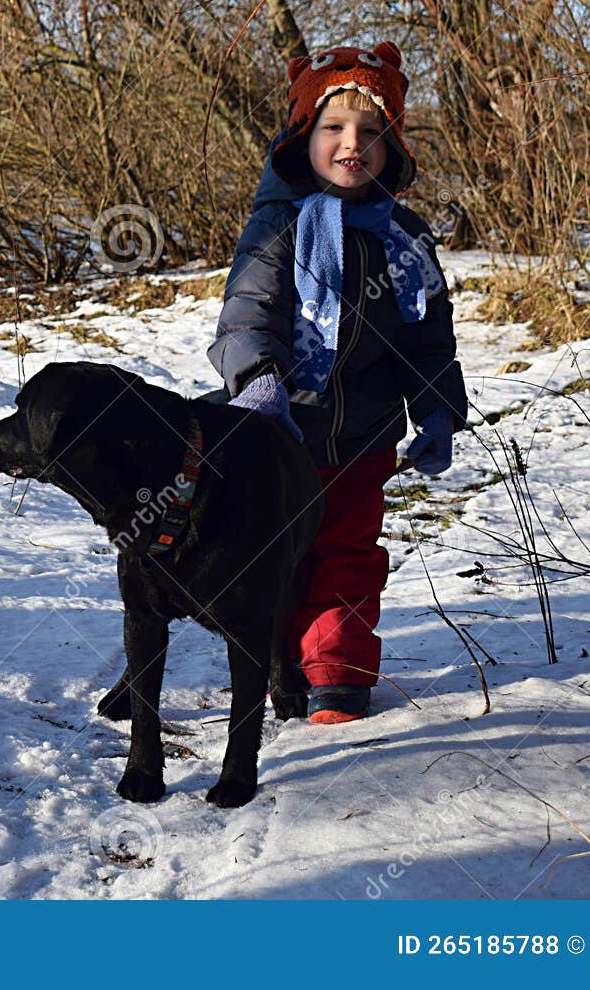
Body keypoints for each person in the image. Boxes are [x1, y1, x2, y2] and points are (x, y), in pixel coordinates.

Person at [206, 42, 469, 724]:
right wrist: (258, 383)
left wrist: (438, 408)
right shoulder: (280, 227)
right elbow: (246, 315)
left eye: (371, 131)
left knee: (350, 554)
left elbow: (428, 338)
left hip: (365, 439)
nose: (353, 143)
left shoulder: (404, 240)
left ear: (392, 147)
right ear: (303, 139)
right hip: (284, 434)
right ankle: (283, 660)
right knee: (282, 555)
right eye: (334, 128)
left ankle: (339, 674)